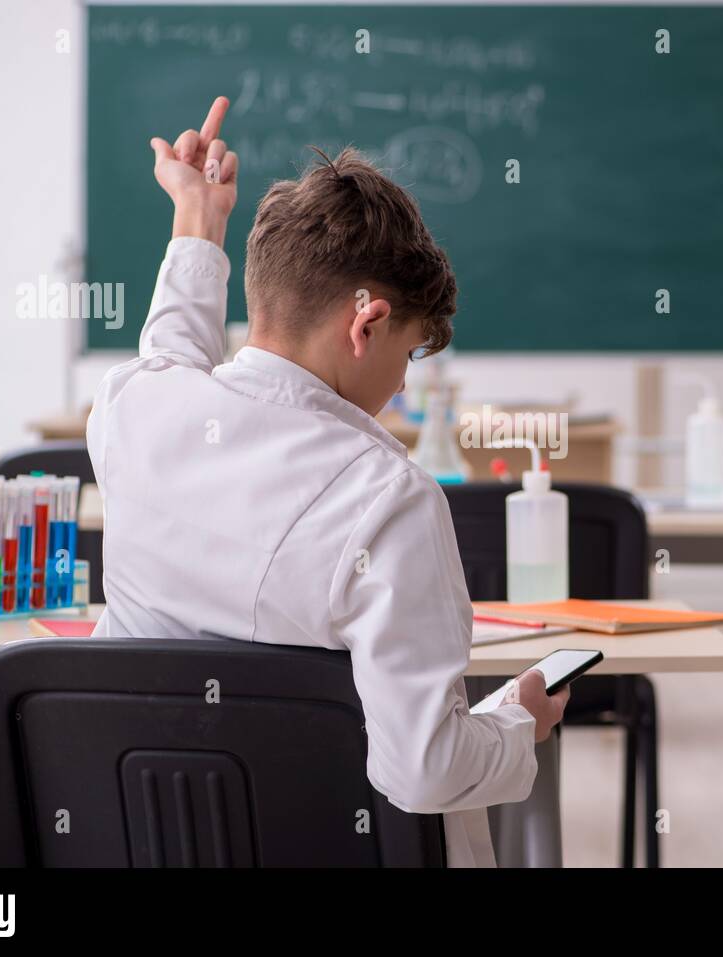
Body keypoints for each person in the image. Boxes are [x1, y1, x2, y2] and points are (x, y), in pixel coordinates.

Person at [86, 96, 568, 866]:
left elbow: (170, 346)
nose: (401, 387)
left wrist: (199, 218)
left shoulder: (131, 413)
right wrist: (517, 722)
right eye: (408, 356)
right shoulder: (389, 501)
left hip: (144, 839)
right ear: (365, 324)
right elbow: (424, 768)